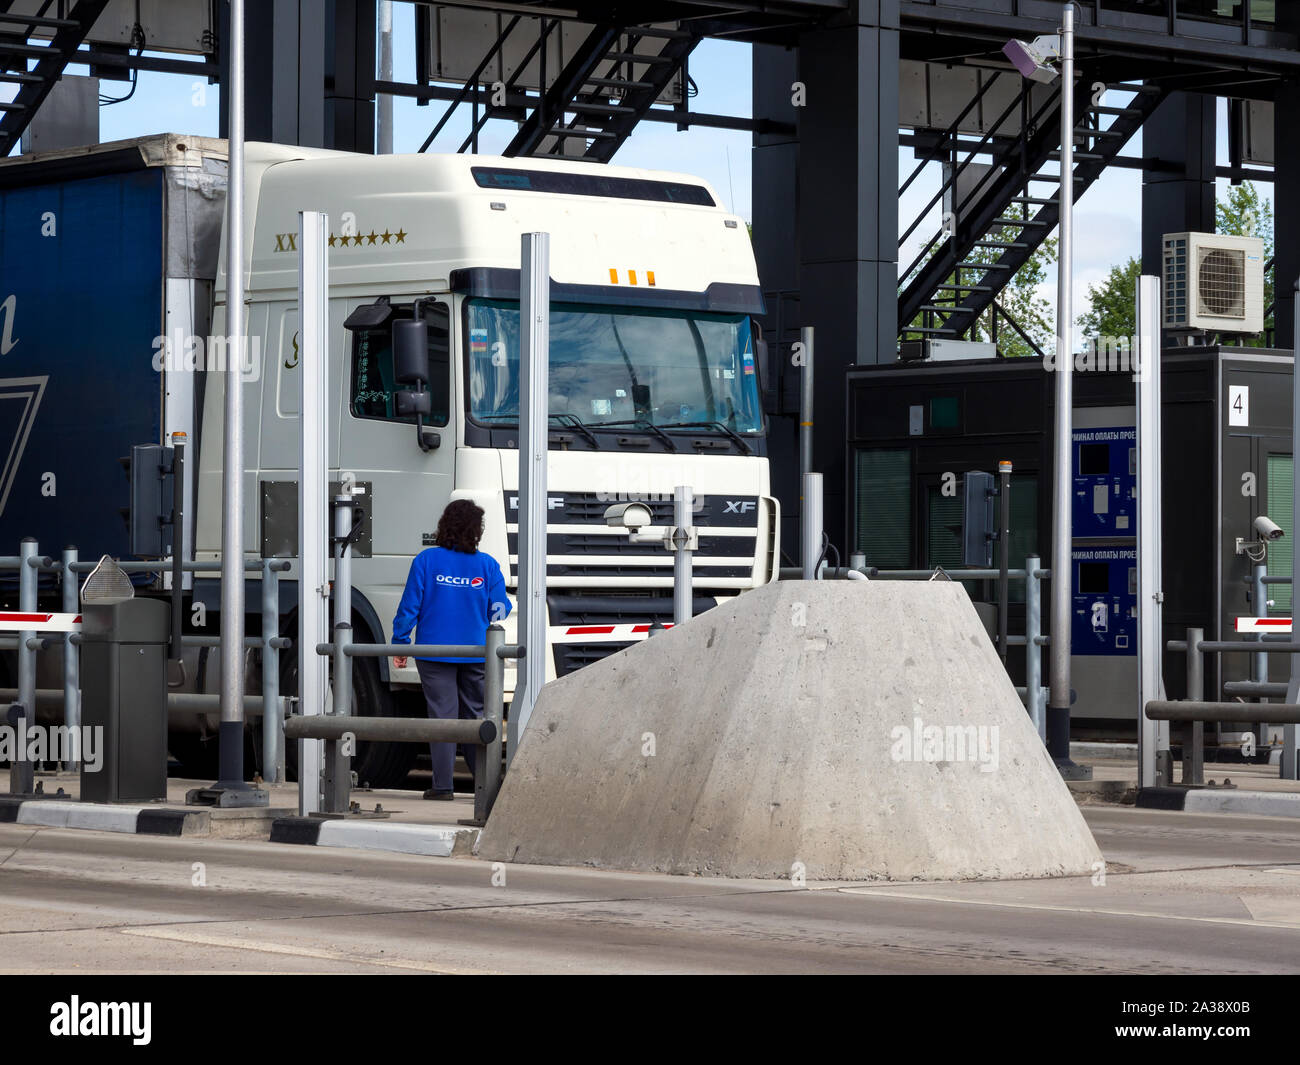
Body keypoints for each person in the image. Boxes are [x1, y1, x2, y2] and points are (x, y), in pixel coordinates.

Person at [392, 499, 510, 800]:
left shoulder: (427, 561)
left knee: (442, 717)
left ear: (445, 525)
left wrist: (400, 642)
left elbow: (409, 607)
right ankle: (487, 785)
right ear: (476, 530)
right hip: (476, 653)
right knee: (475, 717)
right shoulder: (487, 565)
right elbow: (500, 607)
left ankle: (443, 787)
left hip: (433, 652)